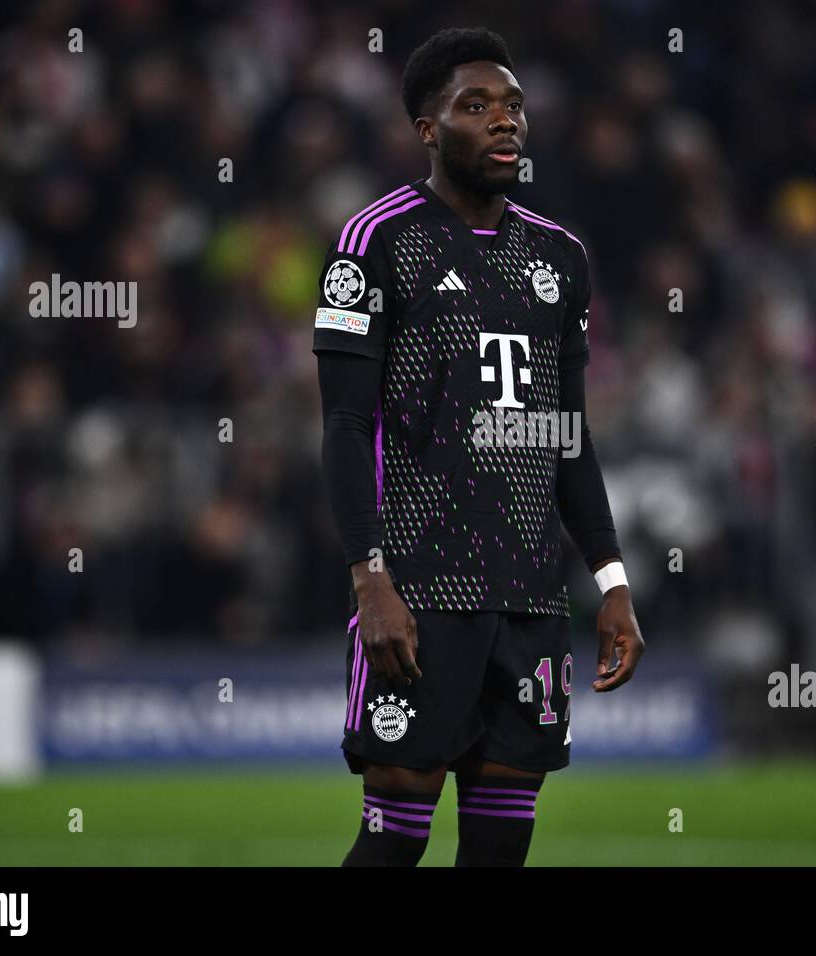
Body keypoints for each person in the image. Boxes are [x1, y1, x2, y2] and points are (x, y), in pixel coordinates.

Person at [313, 27, 645, 866]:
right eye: (476, 106)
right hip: (419, 593)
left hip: (531, 601)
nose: (505, 122)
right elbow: (347, 427)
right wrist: (369, 578)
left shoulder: (559, 258)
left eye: (514, 107)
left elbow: (567, 436)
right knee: (394, 845)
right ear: (429, 129)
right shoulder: (375, 243)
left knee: (499, 852)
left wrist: (611, 580)